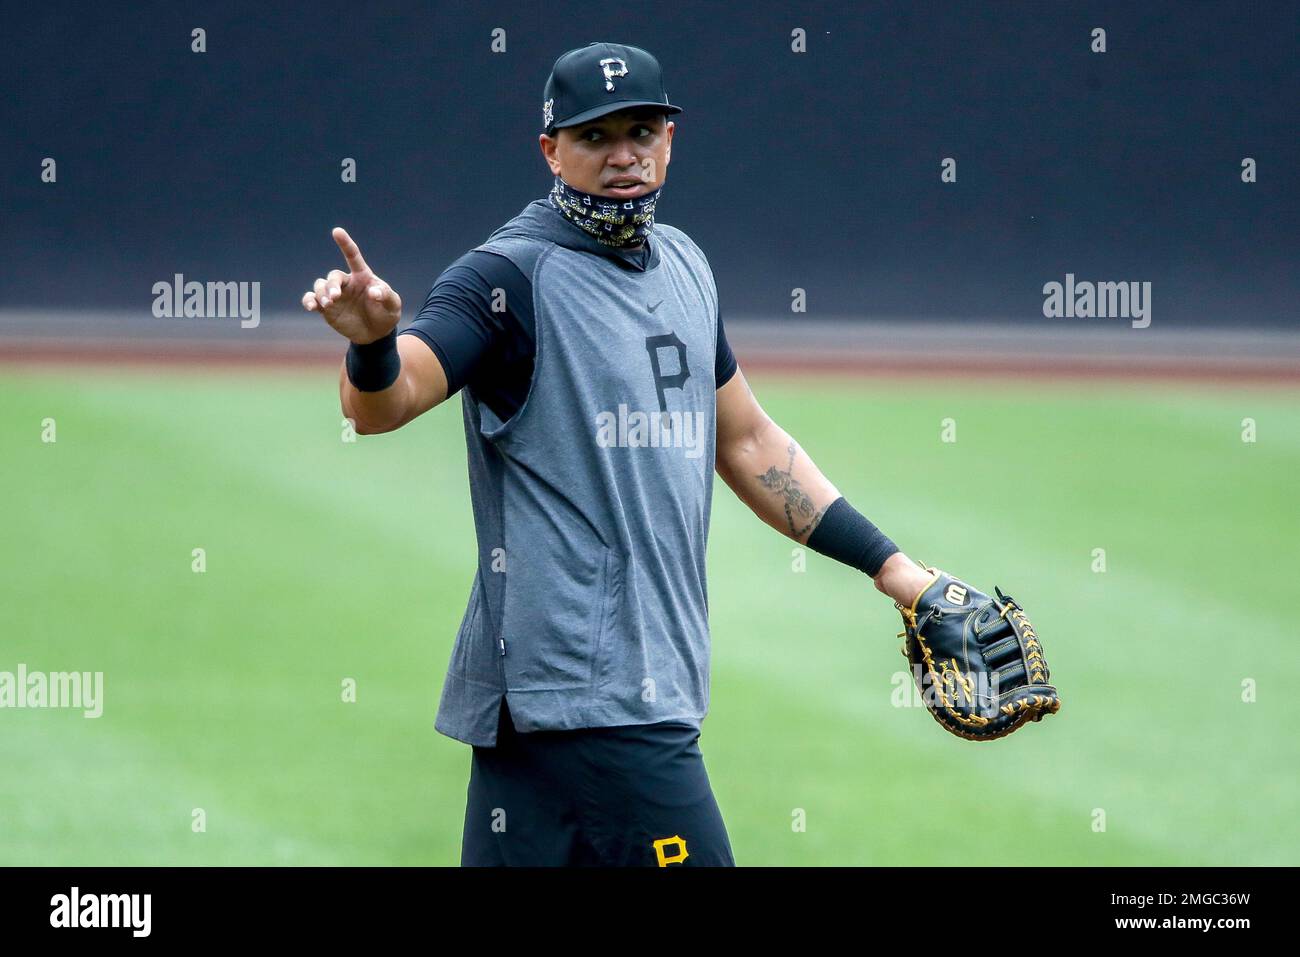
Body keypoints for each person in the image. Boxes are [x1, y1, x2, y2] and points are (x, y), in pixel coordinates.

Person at [302, 41, 936, 866]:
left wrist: (896, 571)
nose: (623, 154)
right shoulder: (508, 278)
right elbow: (385, 404)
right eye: (596, 136)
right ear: (551, 151)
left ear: (670, 139)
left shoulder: (685, 267)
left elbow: (744, 439)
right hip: (601, 700)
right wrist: (374, 346)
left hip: (549, 711)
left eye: (641, 129)